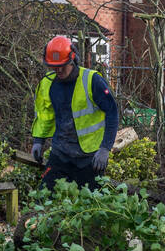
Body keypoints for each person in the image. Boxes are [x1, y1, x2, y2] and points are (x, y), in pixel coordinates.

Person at [31, 35, 118, 192]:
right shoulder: (47, 83)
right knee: (44, 197)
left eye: (62, 66)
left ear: (72, 60)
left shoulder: (92, 81)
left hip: (89, 157)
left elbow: (112, 112)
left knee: (91, 205)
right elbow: (45, 116)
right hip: (60, 153)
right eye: (53, 66)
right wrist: (39, 141)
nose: (58, 70)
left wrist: (105, 148)